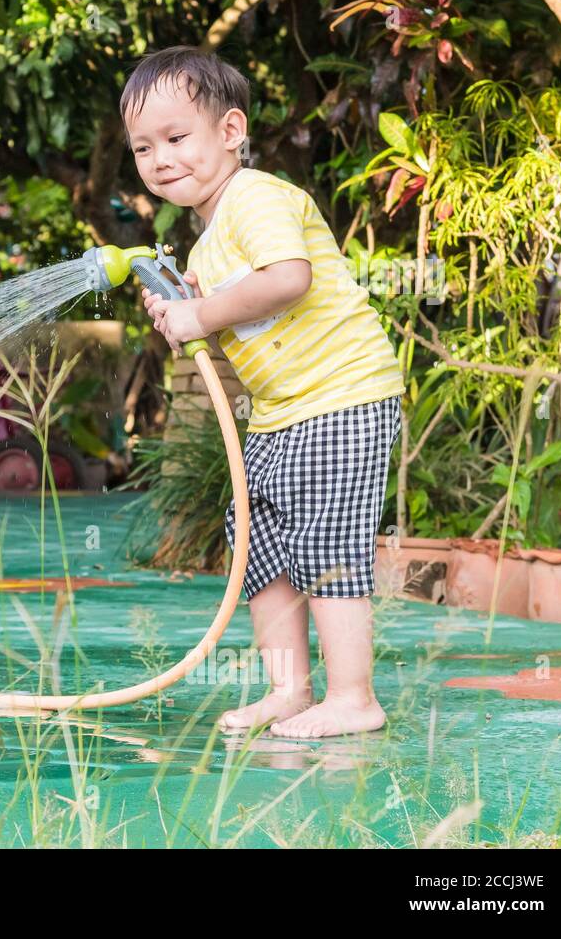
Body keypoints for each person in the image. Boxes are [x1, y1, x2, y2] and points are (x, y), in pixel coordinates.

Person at [120, 46, 405, 737]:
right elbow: (239, 325)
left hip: (342, 394)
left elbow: (288, 279)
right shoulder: (201, 249)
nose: (161, 159)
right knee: (258, 539)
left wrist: (202, 312)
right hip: (279, 414)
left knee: (326, 536)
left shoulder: (256, 197)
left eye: (177, 138)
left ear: (229, 132)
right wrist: (187, 313)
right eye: (142, 148)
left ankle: (353, 697)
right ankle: (289, 689)